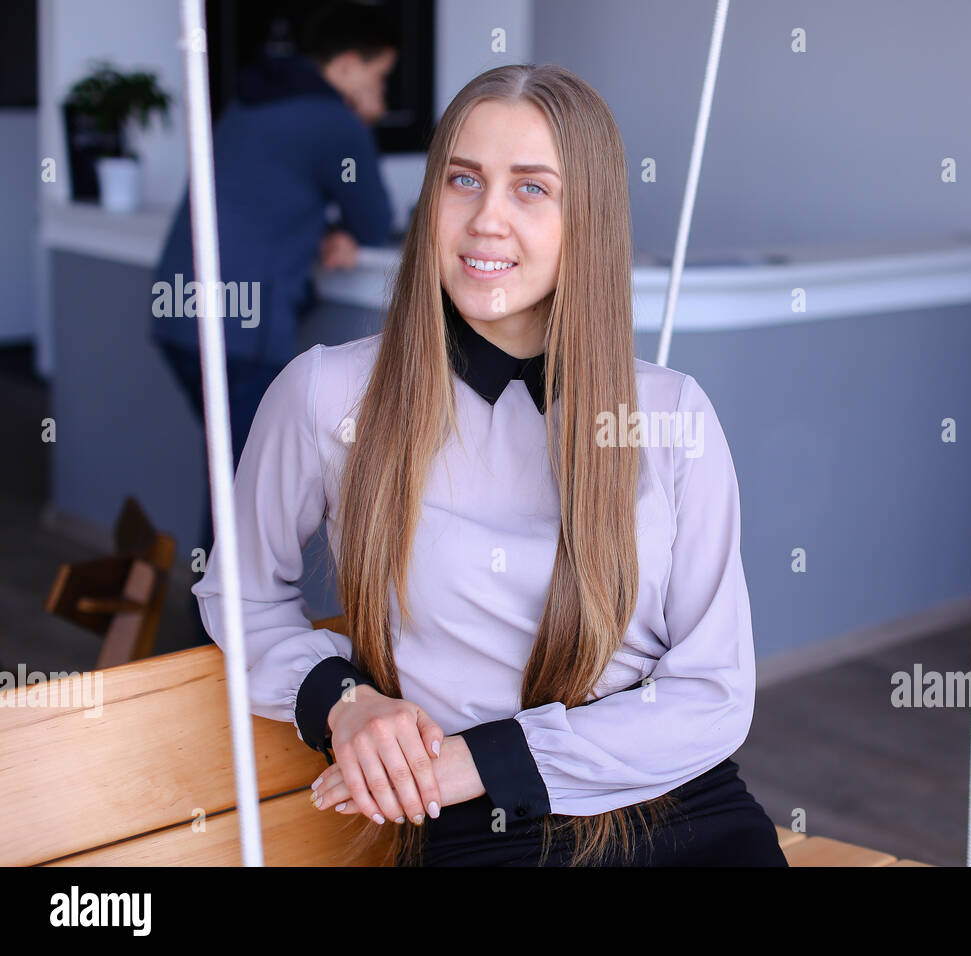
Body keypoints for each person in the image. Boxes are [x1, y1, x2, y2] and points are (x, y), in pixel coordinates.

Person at [192, 63, 788, 867]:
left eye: (531, 188)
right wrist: (340, 700)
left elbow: (714, 691)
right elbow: (239, 595)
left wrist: (478, 760)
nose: (486, 221)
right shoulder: (323, 394)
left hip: (686, 812)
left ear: (588, 219)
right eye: (463, 180)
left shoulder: (672, 413)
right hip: (482, 837)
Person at [153, 2, 397, 644]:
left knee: (232, 474)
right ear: (350, 65)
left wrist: (320, 226)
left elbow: (266, 197)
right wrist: (341, 219)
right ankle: (223, 641)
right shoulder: (334, 122)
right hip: (239, 331)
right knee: (244, 487)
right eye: (378, 77)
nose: (379, 93)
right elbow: (376, 220)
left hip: (181, 318)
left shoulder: (253, 102)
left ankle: (215, 631)